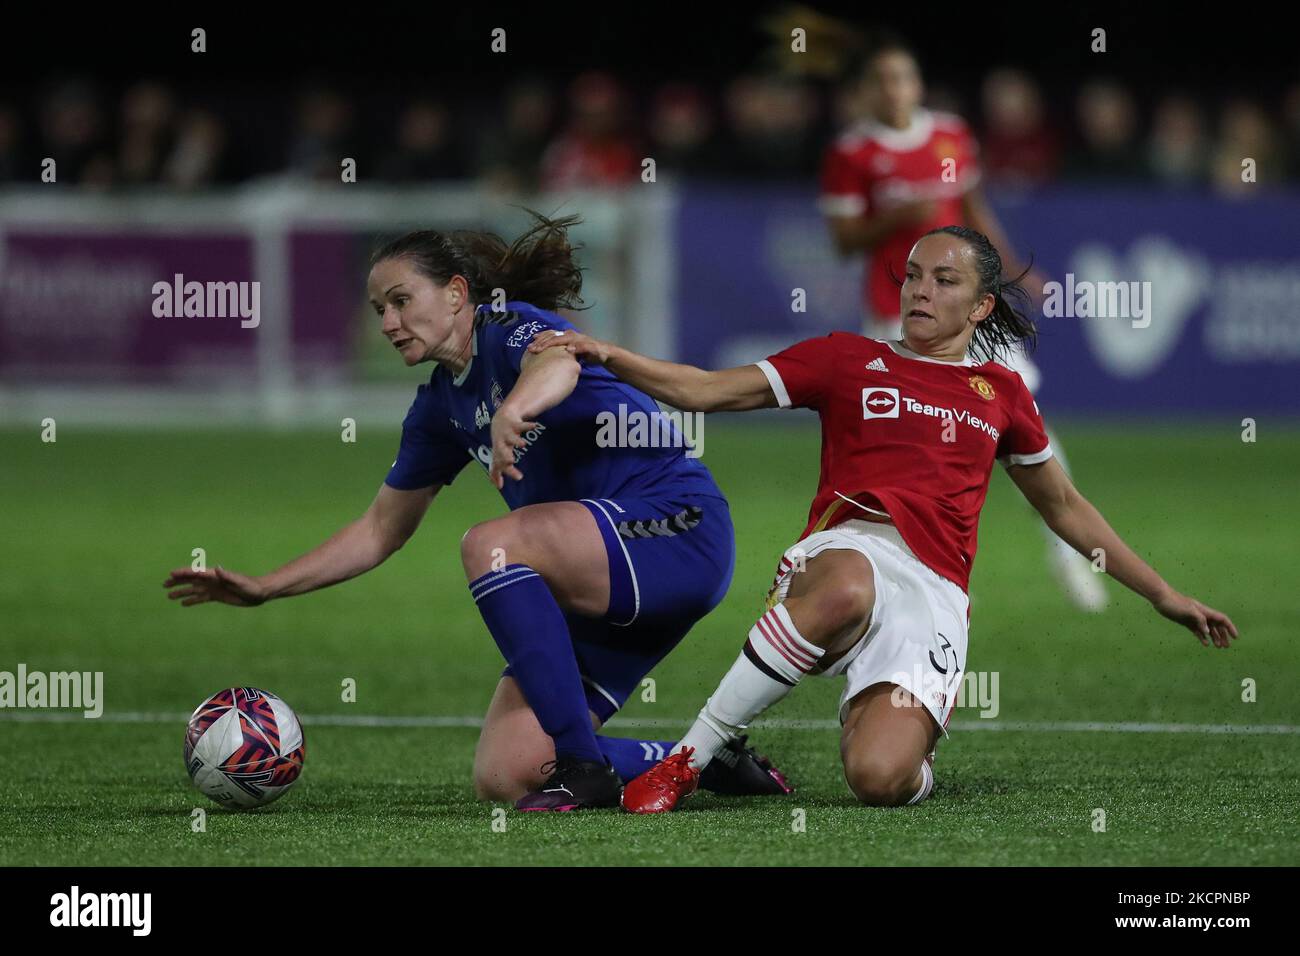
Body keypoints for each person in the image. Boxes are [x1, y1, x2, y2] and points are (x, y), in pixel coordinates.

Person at [526, 225, 1238, 813]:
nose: (921, 290)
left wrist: (1162, 594)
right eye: (912, 276)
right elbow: (710, 391)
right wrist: (610, 355)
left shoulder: (1002, 393)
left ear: (981, 307)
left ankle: (906, 748)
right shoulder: (846, 359)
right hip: (845, 550)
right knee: (846, 586)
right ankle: (691, 757)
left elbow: (1065, 506)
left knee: (878, 780)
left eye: (944, 280)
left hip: (933, 595)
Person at [163, 213, 790, 811]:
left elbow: (559, 360)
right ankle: (702, 760)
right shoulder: (437, 409)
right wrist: (267, 587)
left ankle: (584, 771)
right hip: (595, 575)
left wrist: (515, 409)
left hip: (676, 528)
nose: (387, 321)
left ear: (458, 293)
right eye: (379, 308)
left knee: (491, 546)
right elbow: (380, 530)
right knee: (506, 772)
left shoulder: (505, 325)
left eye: (401, 300)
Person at [819, 35, 1106, 612]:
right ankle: (887, 577)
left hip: (971, 312)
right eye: (883, 80)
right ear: (868, 90)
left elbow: (972, 206)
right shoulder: (852, 154)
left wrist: (1007, 272)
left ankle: (1071, 556)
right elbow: (845, 241)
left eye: (904, 78)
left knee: (1026, 421)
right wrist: (896, 216)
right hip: (897, 313)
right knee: (905, 447)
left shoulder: (949, 134)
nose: (895, 89)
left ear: (916, 84)